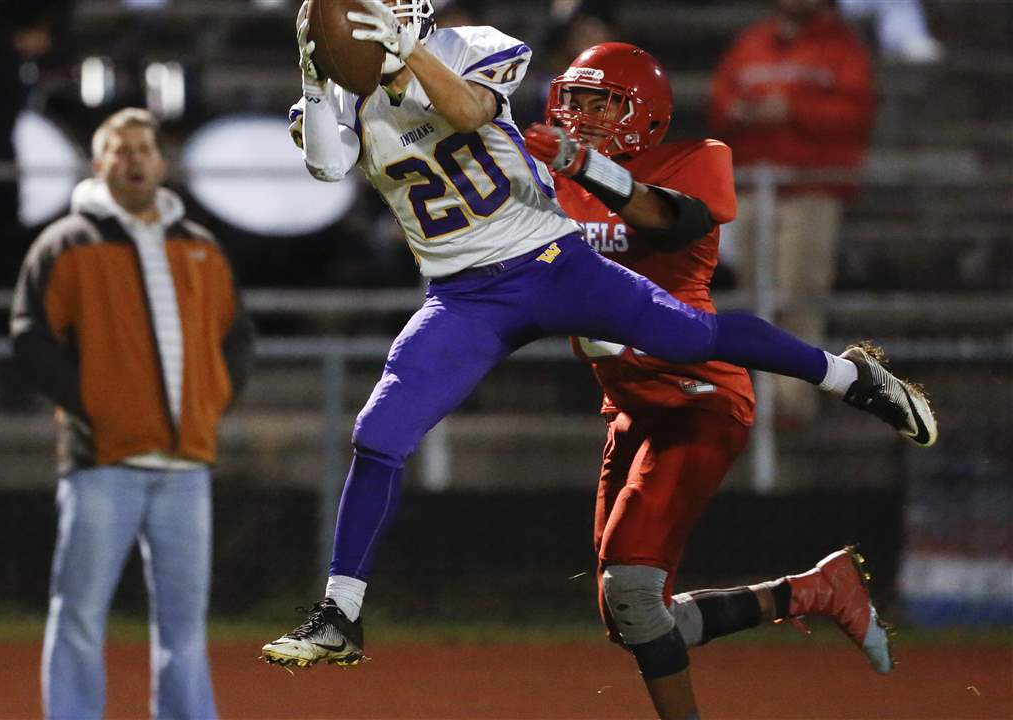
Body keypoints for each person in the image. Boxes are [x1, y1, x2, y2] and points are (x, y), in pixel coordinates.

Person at [262, 0, 933, 672]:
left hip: (549, 260)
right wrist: (317, 78)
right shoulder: (351, 95)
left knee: (690, 334)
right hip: (464, 296)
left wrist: (411, 54)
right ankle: (340, 613)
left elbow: (469, 112)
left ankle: (851, 377)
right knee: (379, 432)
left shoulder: (477, 45)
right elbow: (327, 166)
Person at [523, 43, 890, 719]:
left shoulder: (694, 161)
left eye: (600, 102)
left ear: (645, 112)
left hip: (698, 395)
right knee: (633, 617)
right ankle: (811, 591)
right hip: (631, 405)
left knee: (634, 594)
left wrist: (585, 171)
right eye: (572, 100)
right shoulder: (548, 177)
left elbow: (672, 222)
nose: (581, 116)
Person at [10, 107, 255, 719]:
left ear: (161, 161)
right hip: (103, 461)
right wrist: (94, 407)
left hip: (186, 463)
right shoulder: (65, 243)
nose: (134, 159)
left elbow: (238, 336)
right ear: (99, 165)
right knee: (80, 616)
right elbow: (30, 337)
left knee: (184, 627)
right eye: (120, 150)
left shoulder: (200, 246)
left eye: (144, 149)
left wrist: (211, 400)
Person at [708, 0, 876, 426]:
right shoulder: (751, 43)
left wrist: (793, 110)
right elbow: (720, 106)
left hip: (811, 190)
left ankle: (791, 404)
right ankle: (754, 402)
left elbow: (855, 115)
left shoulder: (842, 48)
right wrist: (742, 112)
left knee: (797, 295)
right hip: (751, 189)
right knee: (753, 298)